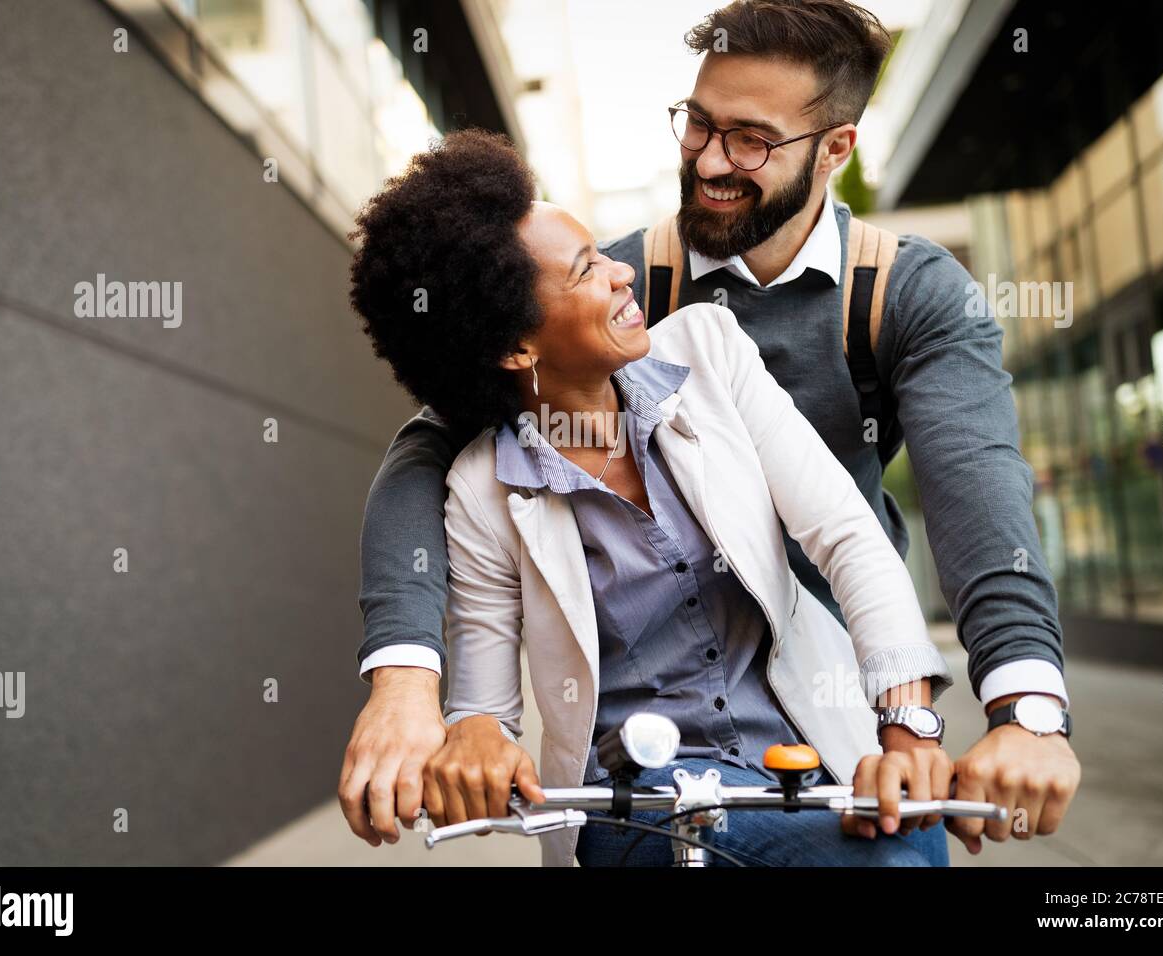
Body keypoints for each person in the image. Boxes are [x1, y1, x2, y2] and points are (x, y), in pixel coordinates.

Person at [340, 0, 1079, 859]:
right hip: (648, 789)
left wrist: (1015, 711)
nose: (710, 160)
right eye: (698, 124)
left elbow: (969, 506)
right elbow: (436, 447)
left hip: (840, 714)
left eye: (751, 139)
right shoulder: (610, 291)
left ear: (836, 148)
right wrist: (408, 683)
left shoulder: (894, 296)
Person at [346, 127, 953, 866]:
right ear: (517, 350)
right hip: (641, 807)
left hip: (811, 757)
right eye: (584, 271)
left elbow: (848, 537)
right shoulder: (482, 489)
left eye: (601, 252)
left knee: (911, 848)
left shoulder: (711, 352)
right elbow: (485, 704)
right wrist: (474, 735)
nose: (620, 275)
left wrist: (906, 725)